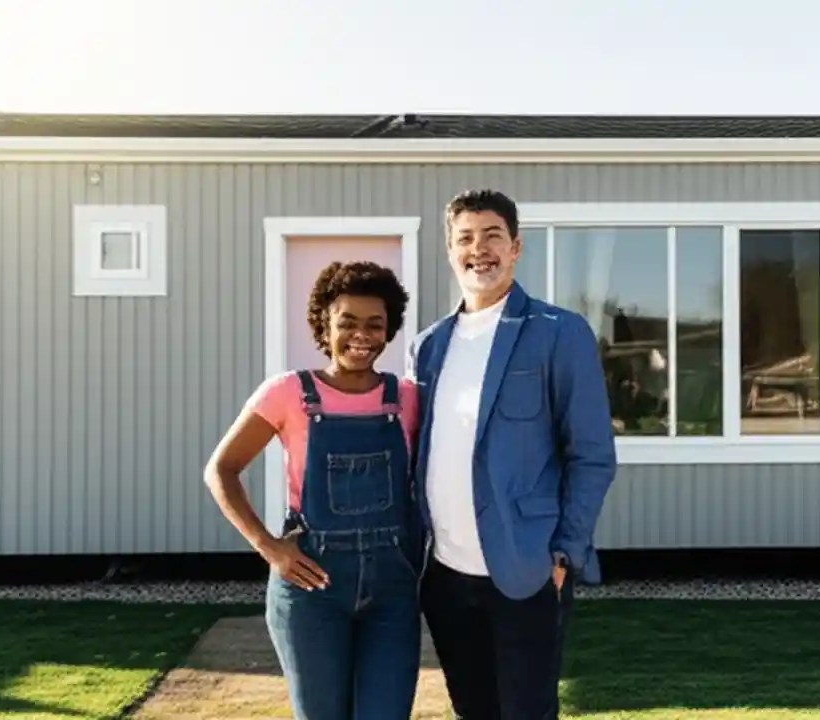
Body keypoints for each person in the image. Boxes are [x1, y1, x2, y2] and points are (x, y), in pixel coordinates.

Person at [407, 188, 618, 718]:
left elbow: (591, 454)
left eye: (492, 236)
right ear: (450, 251)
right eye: (465, 239)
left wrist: (565, 552)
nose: (479, 249)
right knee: (473, 711)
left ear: (516, 246)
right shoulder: (428, 346)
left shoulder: (558, 332)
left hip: (527, 572)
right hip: (447, 574)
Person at [204, 260, 421, 719]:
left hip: (392, 590)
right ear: (325, 323)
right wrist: (269, 547)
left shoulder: (405, 398)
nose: (360, 335)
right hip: (312, 588)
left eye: (374, 324)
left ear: (389, 331)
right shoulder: (287, 393)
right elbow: (221, 470)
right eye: (347, 322)